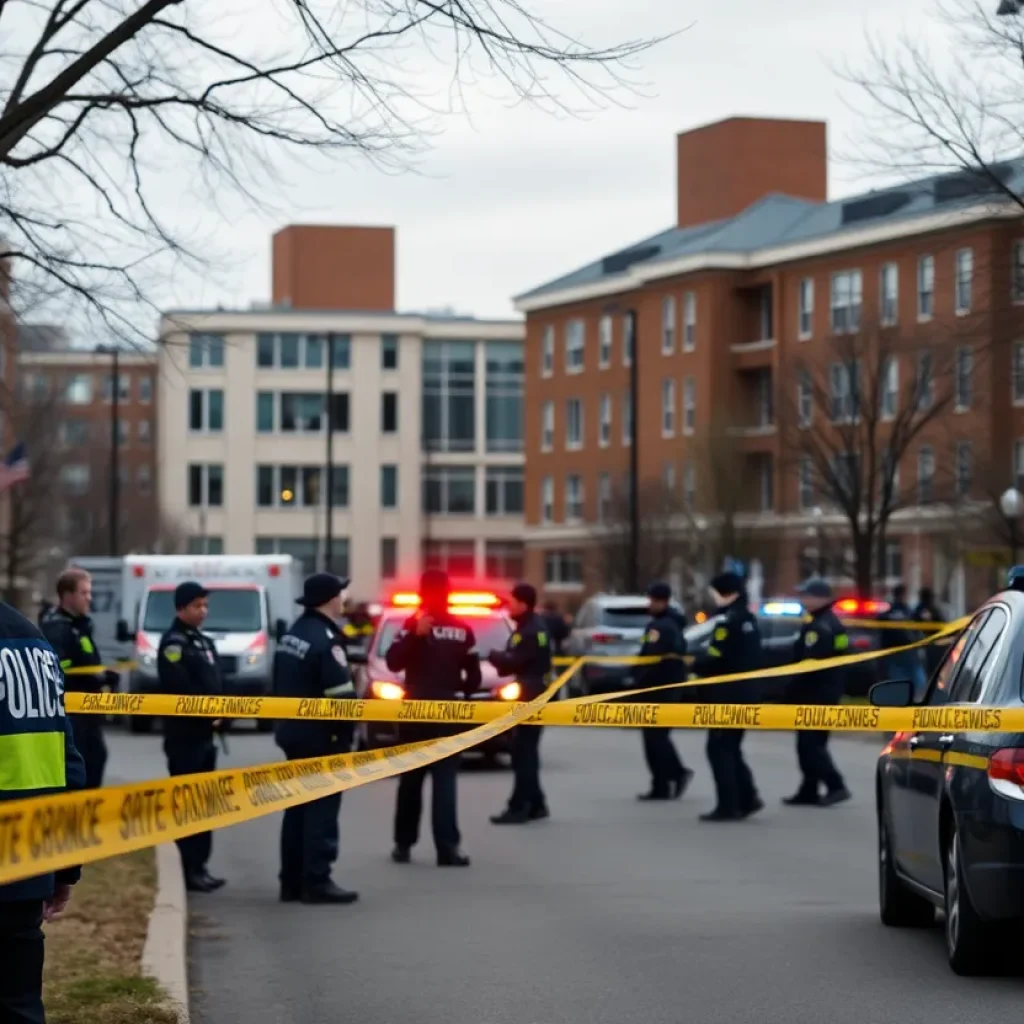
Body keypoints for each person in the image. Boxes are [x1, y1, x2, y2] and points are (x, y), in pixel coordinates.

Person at [0, 599, 86, 1024]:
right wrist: (65, 865)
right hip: (30, 855)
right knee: (20, 1004)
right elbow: (67, 759)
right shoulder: (35, 641)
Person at [274, 572, 359, 905]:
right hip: (321, 737)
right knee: (322, 809)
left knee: (296, 808)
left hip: (292, 733)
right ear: (330, 599)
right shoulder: (327, 640)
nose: (343, 599)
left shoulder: (293, 634)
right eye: (340, 594)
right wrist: (346, 739)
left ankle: (291, 882)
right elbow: (342, 697)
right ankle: (317, 881)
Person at [386, 569, 481, 867]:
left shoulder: (411, 625)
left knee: (411, 780)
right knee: (445, 781)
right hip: (448, 711)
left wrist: (415, 636)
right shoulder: (463, 629)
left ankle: (403, 845)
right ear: (449, 592)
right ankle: (447, 848)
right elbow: (475, 678)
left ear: (421, 593)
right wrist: (458, 689)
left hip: (414, 710)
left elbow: (393, 661)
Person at [158, 581, 226, 893]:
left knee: (204, 804)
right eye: (197, 606)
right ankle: (187, 868)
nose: (204, 611)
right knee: (187, 804)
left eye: (206, 606)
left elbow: (216, 681)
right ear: (180, 608)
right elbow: (179, 686)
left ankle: (201, 865)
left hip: (206, 735)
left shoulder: (203, 641)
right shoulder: (173, 643)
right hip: (185, 736)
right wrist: (207, 707)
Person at [690, 571, 764, 822]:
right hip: (745, 693)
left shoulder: (727, 622)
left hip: (725, 695)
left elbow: (715, 658)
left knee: (719, 749)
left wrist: (693, 663)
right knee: (731, 748)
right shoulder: (750, 619)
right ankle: (747, 797)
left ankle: (728, 805)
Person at [41, 568, 118, 789]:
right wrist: (95, 678)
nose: (89, 598)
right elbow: (59, 669)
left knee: (96, 759)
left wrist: (103, 677)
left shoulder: (81, 626)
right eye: (84, 593)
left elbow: (85, 664)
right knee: (81, 767)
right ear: (67, 595)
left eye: (90, 593)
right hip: (72, 713)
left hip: (88, 711)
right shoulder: (57, 628)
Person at [783, 578, 852, 807]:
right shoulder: (829, 621)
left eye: (807, 595)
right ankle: (808, 789)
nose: (804, 599)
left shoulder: (820, 626)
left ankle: (836, 785)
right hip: (827, 691)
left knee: (811, 745)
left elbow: (808, 666)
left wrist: (790, 692)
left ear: (821, 598)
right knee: (810, 743)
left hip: (816, 695)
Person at [488, 582, 553, 824]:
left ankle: (520, 806)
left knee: (523, 752)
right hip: (536, 693)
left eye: (512, 602)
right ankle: (537, 803)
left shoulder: (526, 632)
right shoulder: (536, 627)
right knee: (527, 750)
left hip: (529, 695)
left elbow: (512, 662)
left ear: (523, 604)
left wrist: (490, 655)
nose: (508, 606)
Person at [635, 582, 692, 802]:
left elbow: (653, 658)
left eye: (652, 601)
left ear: (662, 601)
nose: (649, 604)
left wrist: (640, 679)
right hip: (662, 686)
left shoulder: (663, 627)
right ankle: (662, 783)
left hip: (660, 687)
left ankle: (674, 776)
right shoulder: (663, 624)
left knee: (655, 736)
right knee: (655, 737)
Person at [877, 583, 926, 699]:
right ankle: (916, 699)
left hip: (893, 652)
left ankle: (902, 699)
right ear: (903, 595)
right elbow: (919, 625)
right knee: (918, 679)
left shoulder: (888, 613)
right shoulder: (908, 612)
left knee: (898, 680)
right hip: (909, 652)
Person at [913, 586, 946, 678]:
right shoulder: (924, 610)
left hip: (935, 643)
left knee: (934, 668)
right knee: (931, 668)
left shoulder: (931, 609)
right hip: (928, 644)